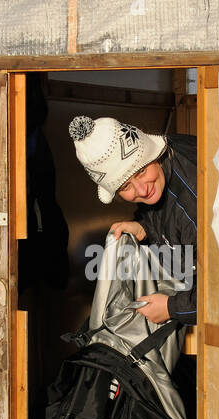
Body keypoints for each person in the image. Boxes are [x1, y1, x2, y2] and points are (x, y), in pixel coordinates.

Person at [68, 115, 197, 325]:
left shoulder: (193, 199)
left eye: (141, 171)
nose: (142, 189)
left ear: (152, 154)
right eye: (125, 186)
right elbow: (167, 214)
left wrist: (170, 308)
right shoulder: (166, 164)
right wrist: (144, 227)